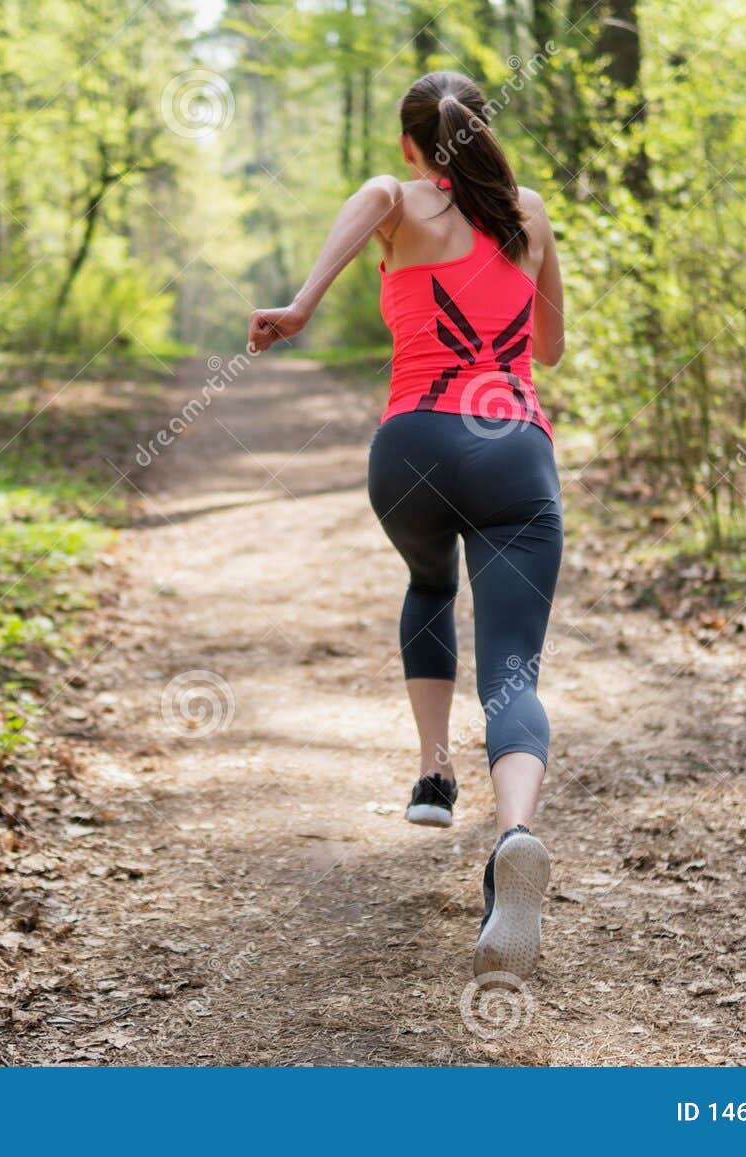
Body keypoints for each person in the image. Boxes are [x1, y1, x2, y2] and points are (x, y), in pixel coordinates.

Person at [247, 72, 565, 983]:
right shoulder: (530, 211)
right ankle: (514, 837)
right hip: (513, 446)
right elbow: (549, 349)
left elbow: (376, 199)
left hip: (412, 446)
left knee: (430, 582)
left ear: (410, 144)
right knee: (513, 671)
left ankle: (433, 775)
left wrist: (302, 305)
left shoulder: (393, 201)